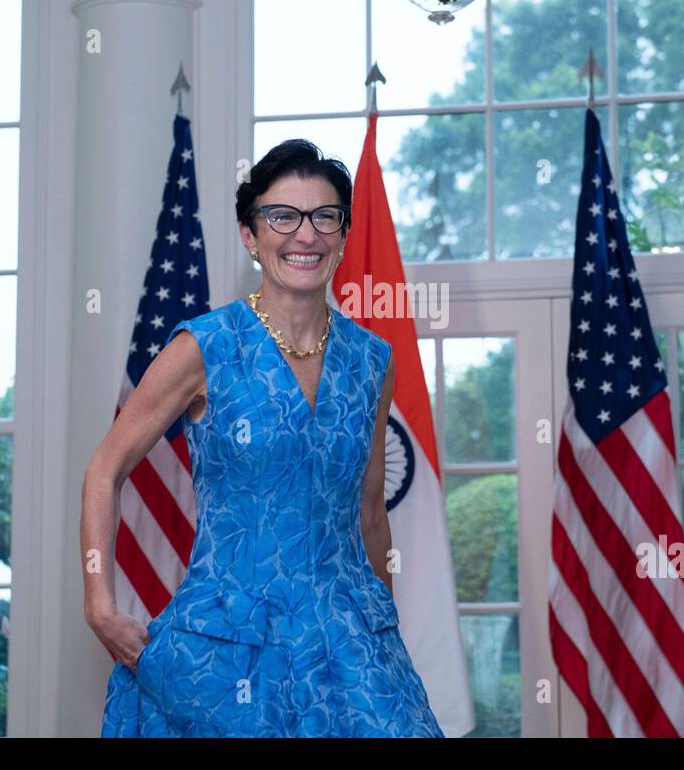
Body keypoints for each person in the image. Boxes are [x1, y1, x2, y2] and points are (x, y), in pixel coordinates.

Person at [83, 139, 444, 737]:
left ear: (342, 234)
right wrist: (99, 602)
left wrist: (382, 625)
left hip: (348, 643)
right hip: (226, 645)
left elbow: (370, 510)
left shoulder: (372, 361)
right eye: (283, 217)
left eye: (324, 216)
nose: (305, 234)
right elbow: (104, 469)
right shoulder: (204, 347)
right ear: (251, 236)